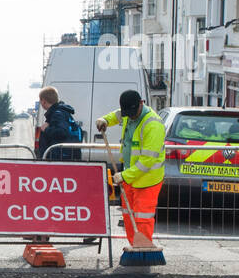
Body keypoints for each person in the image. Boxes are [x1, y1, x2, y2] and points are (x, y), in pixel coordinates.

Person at [96, 90, 166, 247]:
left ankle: (143, 249)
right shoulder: (128, 112)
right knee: (128, 215)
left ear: (141, 103)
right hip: (130, 175)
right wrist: (104, 120)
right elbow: (117, 115)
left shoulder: (153, 125)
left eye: (133, 113)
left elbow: (147, 161)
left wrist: (125, 175)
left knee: (142, 216)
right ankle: (134, 246)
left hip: (148, 179)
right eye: (128, 113)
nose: (131, 116)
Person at [36, 86, 82, 161]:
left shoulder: (57, 114)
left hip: (58, 158)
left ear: (43, 101)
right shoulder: (62, 112)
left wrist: (46, 129)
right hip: (65, 155)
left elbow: (62, 132)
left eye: (40, 100)